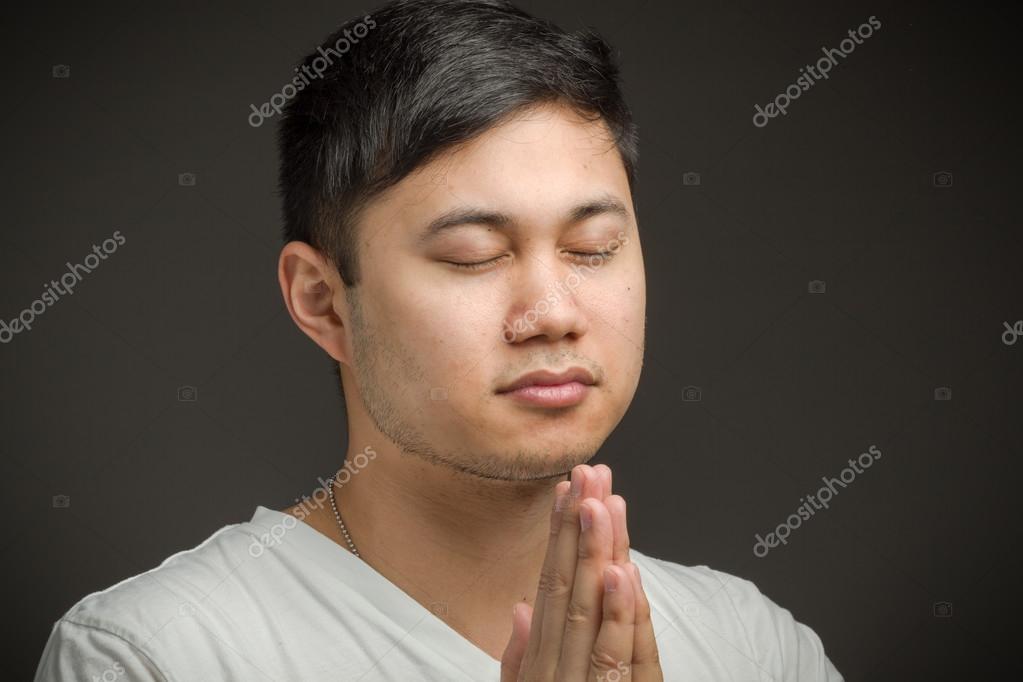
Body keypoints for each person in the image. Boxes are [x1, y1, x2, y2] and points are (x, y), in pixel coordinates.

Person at [35, 1, 843, 679]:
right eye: (474, 256)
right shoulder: (158, 655)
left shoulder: (753, 646)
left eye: (592, 247)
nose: (552, 312)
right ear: (322, 302)